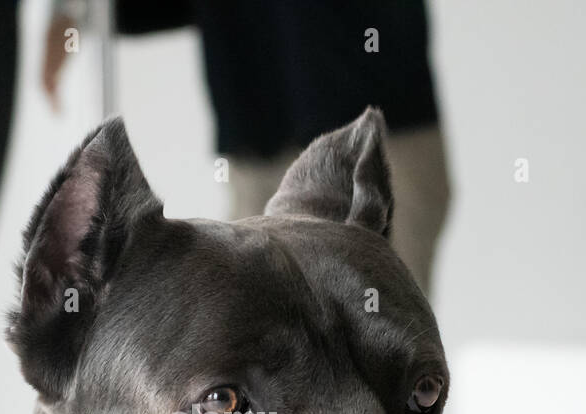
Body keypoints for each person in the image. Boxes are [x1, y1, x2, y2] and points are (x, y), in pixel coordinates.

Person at [43, 0, 452, 298]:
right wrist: (73, 10)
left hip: (376, 138)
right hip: (265, 144)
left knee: (381, 377)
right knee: (258, 377)